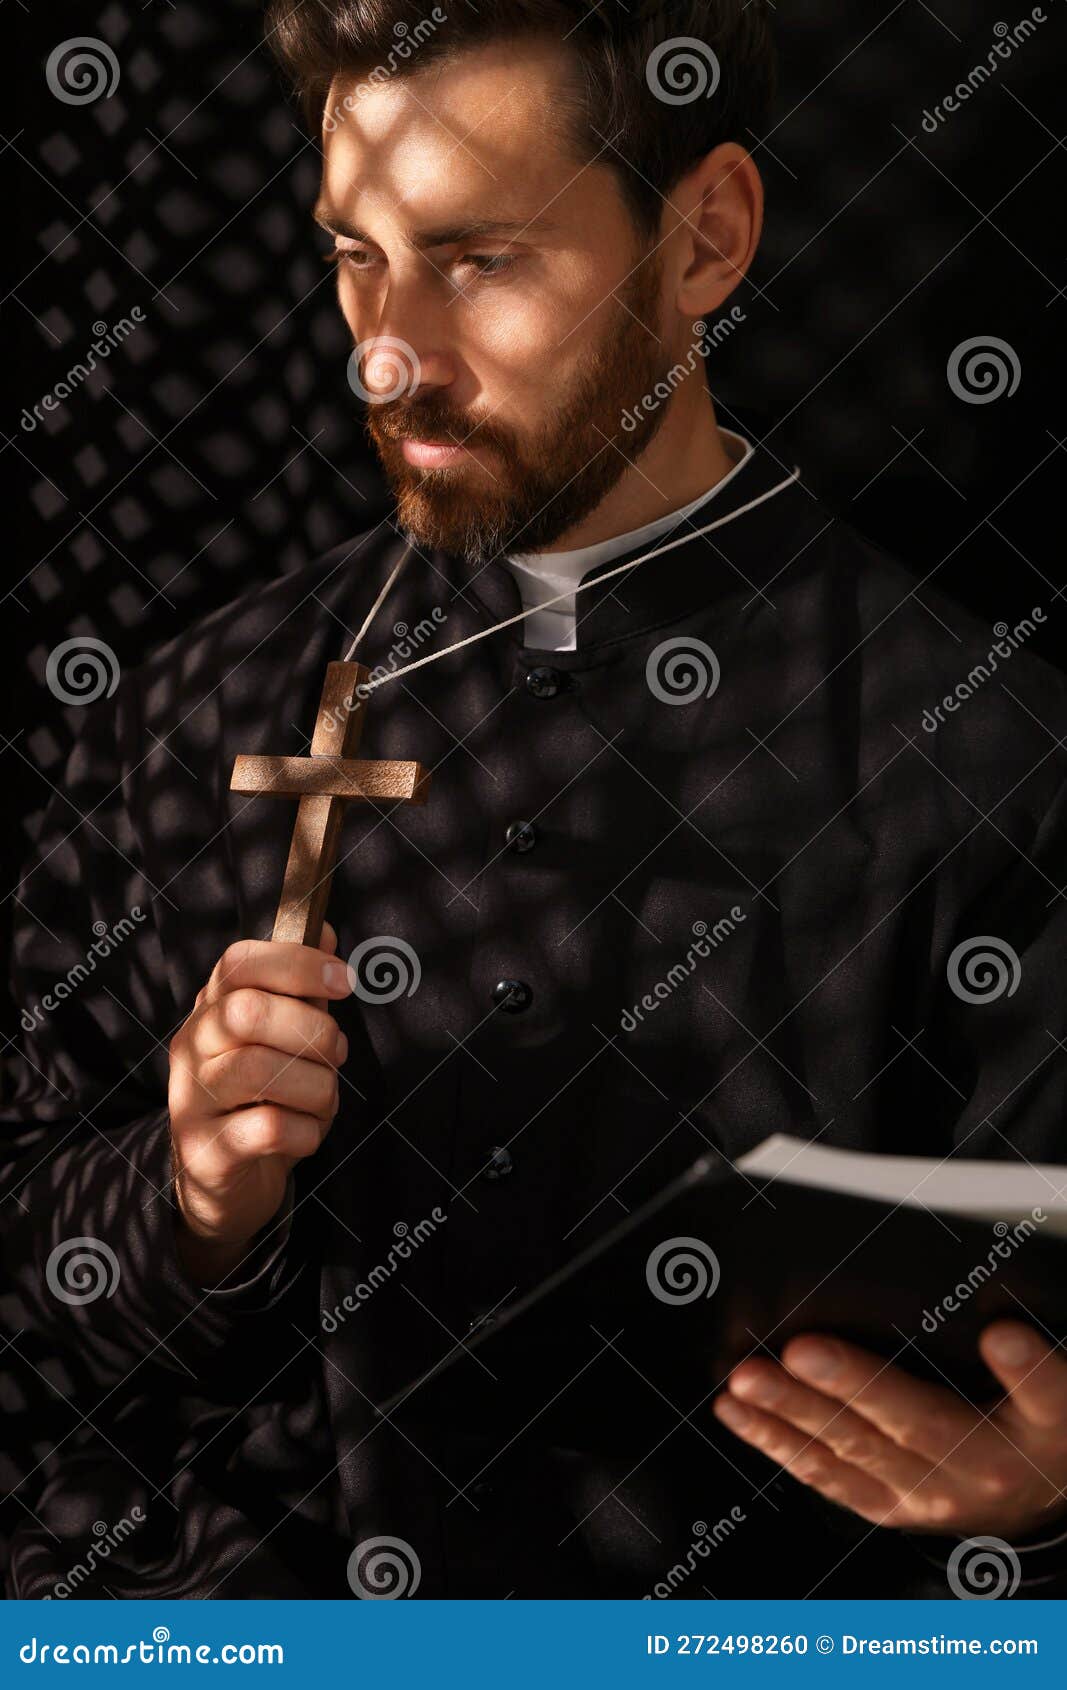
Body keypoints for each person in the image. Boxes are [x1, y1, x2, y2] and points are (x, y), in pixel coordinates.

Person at [4, 0, 1065, 1600]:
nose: (388, 351)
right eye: (356, 255)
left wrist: (1042, 1504)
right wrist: (187, 1203)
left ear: (705, 238)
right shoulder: (188, 715)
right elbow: (30, 1286)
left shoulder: (983, 749)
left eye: (481, 261)